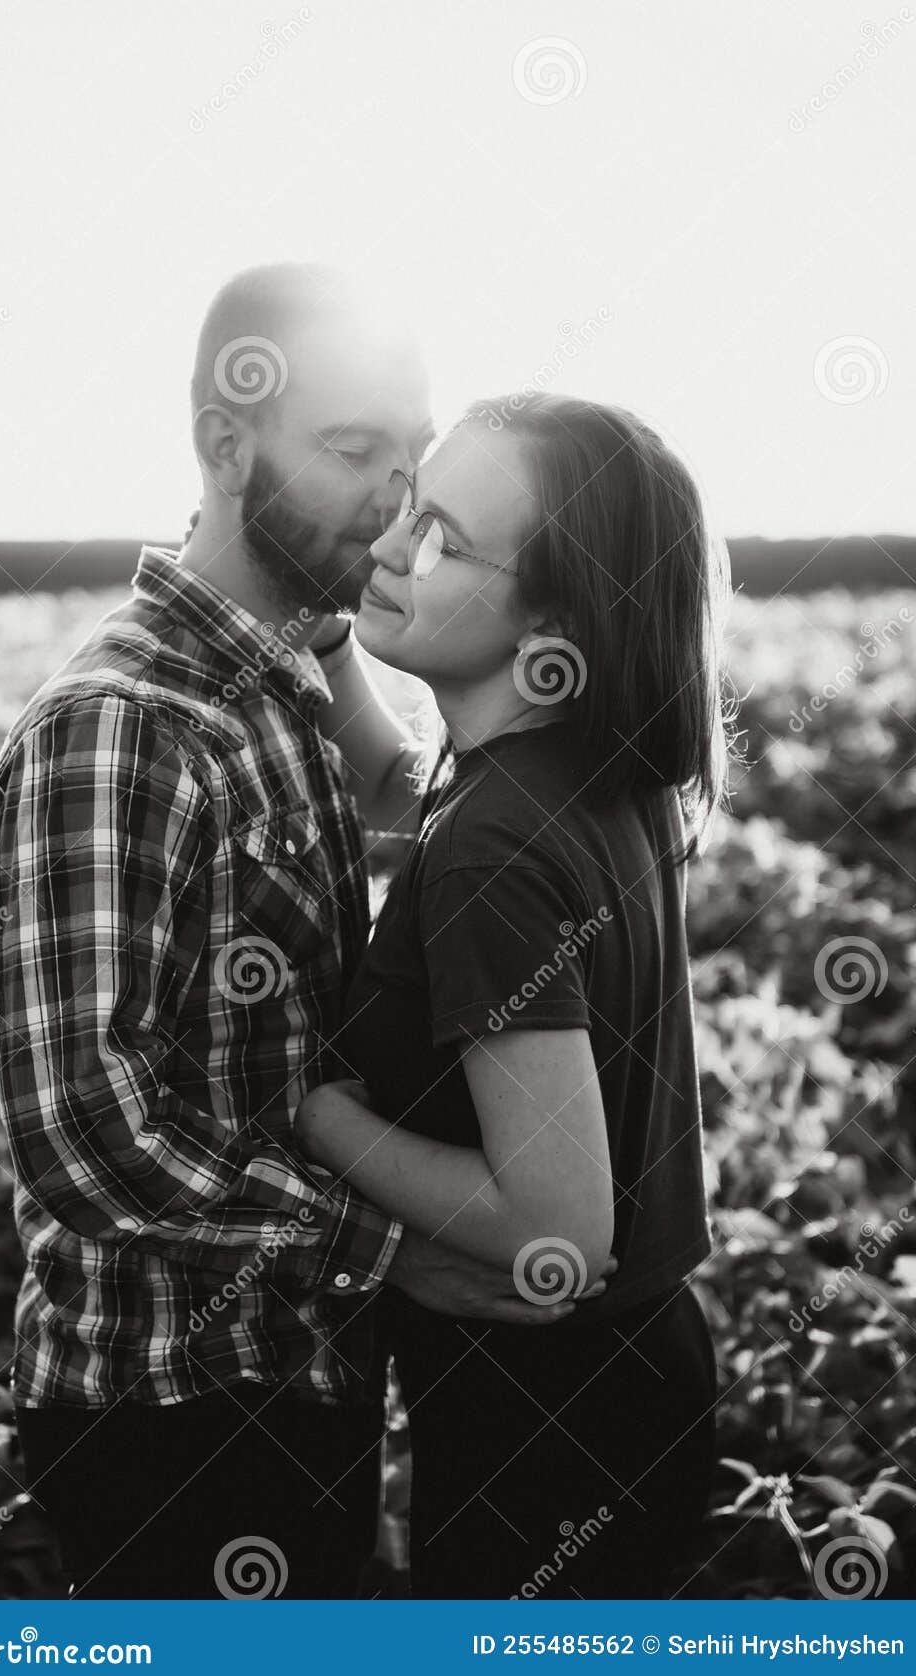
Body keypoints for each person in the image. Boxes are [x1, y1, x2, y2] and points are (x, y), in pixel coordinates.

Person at [0, 266, 610, 1601]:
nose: (395, 497)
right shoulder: (121, 724)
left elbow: (421, 812)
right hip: (165, 1401)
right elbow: (87, 1130)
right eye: (350, 450)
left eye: (411, 451)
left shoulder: (286, 673)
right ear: (226, 440)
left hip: (303, 1364)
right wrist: (392, 1245)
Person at [297, 393, 731, 1598]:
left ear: (555, 615)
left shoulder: (497, 844)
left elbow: (556, 1228)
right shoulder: (589, 768)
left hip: (542, 1423)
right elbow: (404, 786)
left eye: (440, 536)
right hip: (637, 1378)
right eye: (404, 507)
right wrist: (334, 645)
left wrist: (318, 1118)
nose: (389, 546)